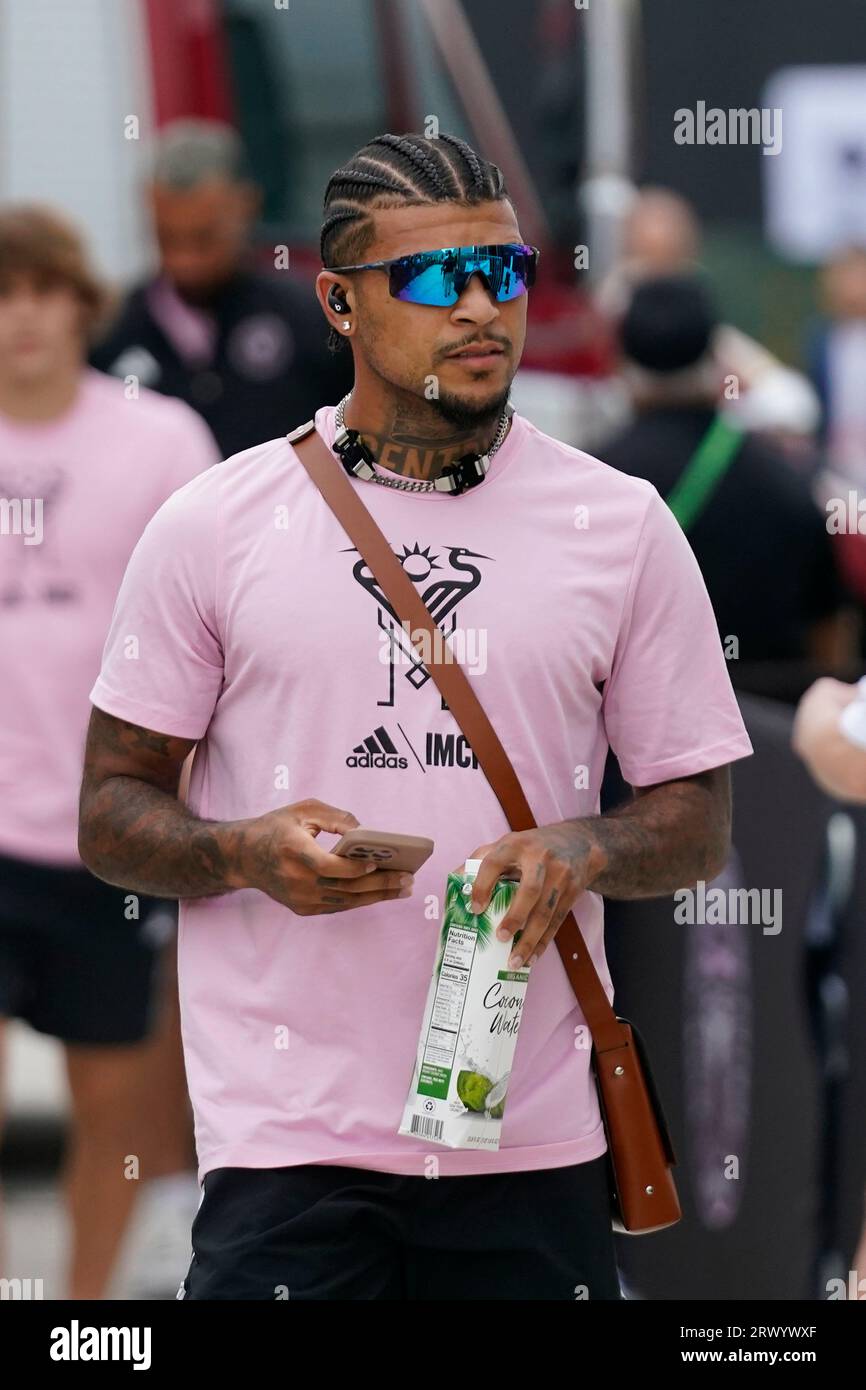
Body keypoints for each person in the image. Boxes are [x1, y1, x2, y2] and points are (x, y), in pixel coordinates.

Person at [78, 131, 753, 1302]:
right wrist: (238, 849)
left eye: (506, 271)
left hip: (526, 1135)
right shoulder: (216, 523)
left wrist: (580, 845)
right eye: (435, 278)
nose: (482, 306)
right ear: (338, 302)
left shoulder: (623, 524)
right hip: (288, 1147)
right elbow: (108, 809)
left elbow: (693, 817)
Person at [0, 205, 220, 1298]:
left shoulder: (161, 438)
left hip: (109, 823)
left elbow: (222, 620)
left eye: (44, 292)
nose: (23, 318)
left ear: (83, 305)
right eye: (3, 295)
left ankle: (79, 1311)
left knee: (116, 1103)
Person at [601, 275, 850, 673]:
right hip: (775, 724)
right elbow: (831, 636)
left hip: (636, 728)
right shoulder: (788, 482)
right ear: (716, 352)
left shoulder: (591, 482)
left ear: (618, 354)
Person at [90, 119, 353, 459]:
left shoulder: (313, 319)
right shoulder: (109, 335)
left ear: (247, 204)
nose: (185, 261)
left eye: (204, 238)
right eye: (167, 238)